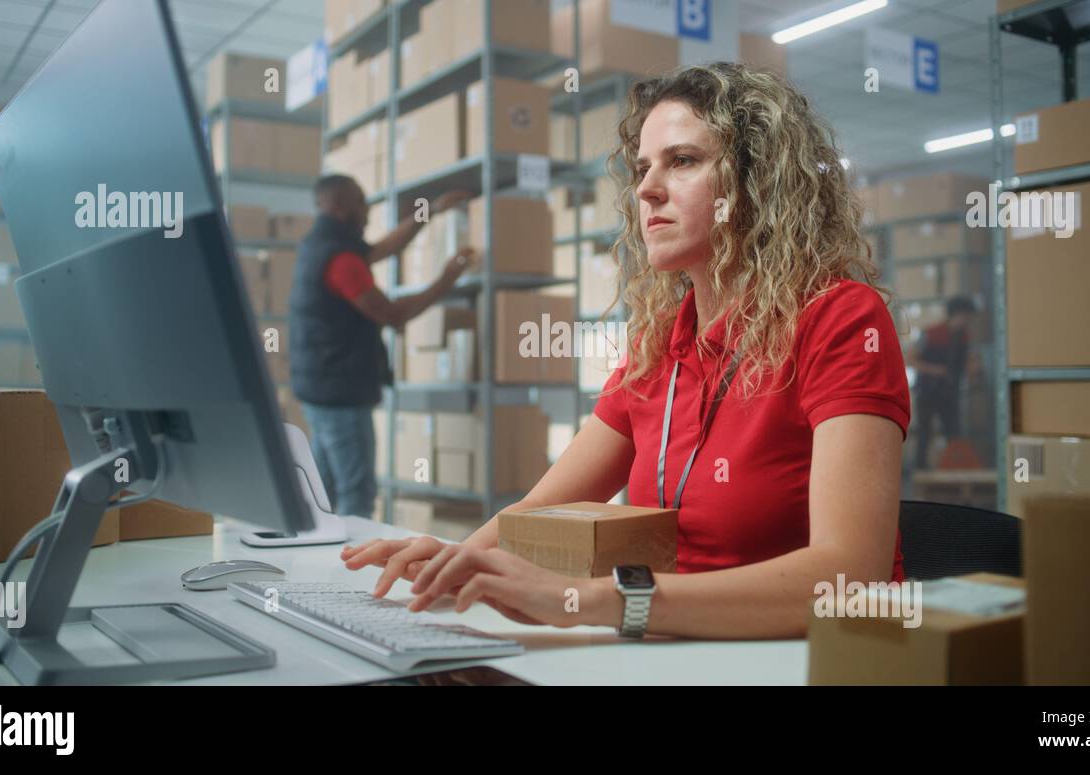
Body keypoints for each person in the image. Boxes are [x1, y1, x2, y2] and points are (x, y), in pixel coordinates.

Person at [341, 63, 911, 639]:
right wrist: (453, 560)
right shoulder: (658, 341)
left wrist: (591, 600)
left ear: (758, 179)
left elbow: (849, 576)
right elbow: (543, 508)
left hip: (813, 658)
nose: (646, 189)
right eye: (642, 168)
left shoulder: (839, 318)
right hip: (677, 651)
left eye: (683, 161)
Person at [289, 174, 474, 518]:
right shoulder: (340, 259)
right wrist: (447, 279)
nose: (368, 212)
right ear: (337, 205)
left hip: (318, 389)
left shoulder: (321, 244)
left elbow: (384, 248)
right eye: (361, 202)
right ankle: (352, 567)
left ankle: (317, 554)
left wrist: (430, 211)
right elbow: (393, 314)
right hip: (339, 395)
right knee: (357, 491)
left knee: (324, 487)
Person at [909, 295, 977, 470]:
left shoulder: (963, 337)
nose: (968, 321)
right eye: (966, 316)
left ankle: (955, 469)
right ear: (956, 314)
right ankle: (920, 470)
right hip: (927, 391)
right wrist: (936, 371)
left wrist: (971, 370)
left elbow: (967, 362)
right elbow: (911, 360)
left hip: (950, 392)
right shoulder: (931, 333)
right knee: (925, 432)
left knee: (953, 432)